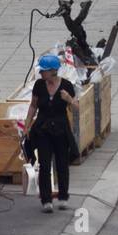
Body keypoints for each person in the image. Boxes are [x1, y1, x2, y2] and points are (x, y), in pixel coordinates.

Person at [23, 54, 79, 213]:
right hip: (43, 130)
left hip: (61, 130)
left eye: (44, 71)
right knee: (45, 164)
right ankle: (46, 200)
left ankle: (63, 197)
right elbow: (33, 106)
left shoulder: (66, 85)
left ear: (53, 71)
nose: (41, 73)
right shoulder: (39, 86)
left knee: (62, 164)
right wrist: (27, 125)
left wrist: (68, 99)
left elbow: (76, 107)